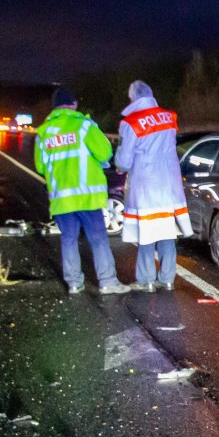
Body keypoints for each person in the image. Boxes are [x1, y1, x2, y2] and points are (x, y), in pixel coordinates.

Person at [33, 87, 129, 295]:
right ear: (74, 104)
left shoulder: (43, 132)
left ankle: (74, 283)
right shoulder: (84, 126)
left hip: (62, 201)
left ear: (55, 106)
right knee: (98, 239)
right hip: (87, 197)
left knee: (68, 240)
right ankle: (107, 282)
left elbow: (40, 167)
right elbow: (105, 151)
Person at [115, 80, 192, 290]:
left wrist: (120, 165)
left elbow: (124, 160)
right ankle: (167, 279)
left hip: (145, 185)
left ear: (134, 98)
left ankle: (146, 280)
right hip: (169, 184)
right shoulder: (169, 117)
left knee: (146, 232)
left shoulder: (131, 122)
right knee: (167, 231)